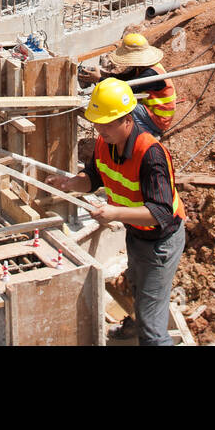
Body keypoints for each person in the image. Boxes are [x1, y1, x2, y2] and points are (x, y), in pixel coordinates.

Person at [46, 78, 186, 346]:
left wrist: (114, 213)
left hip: (161, 242)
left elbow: (161, 213)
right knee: (136, 286)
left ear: (127, 119)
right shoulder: (104, 143)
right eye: (97, 122)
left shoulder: (151, 154)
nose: (101, 129)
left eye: (108, 123)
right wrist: (72, 184)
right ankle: (135, 326)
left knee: (153, 329)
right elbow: (94, 177)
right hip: (137, 235)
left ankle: (148, 334)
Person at [79, 33, 176, 138]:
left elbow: (124, 89)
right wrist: (104, 75)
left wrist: (99, 79)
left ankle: (149, 132)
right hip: (150, 112)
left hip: (158, 120)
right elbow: (123, 78)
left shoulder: (151, 75)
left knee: (122, 103)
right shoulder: (143, 67)